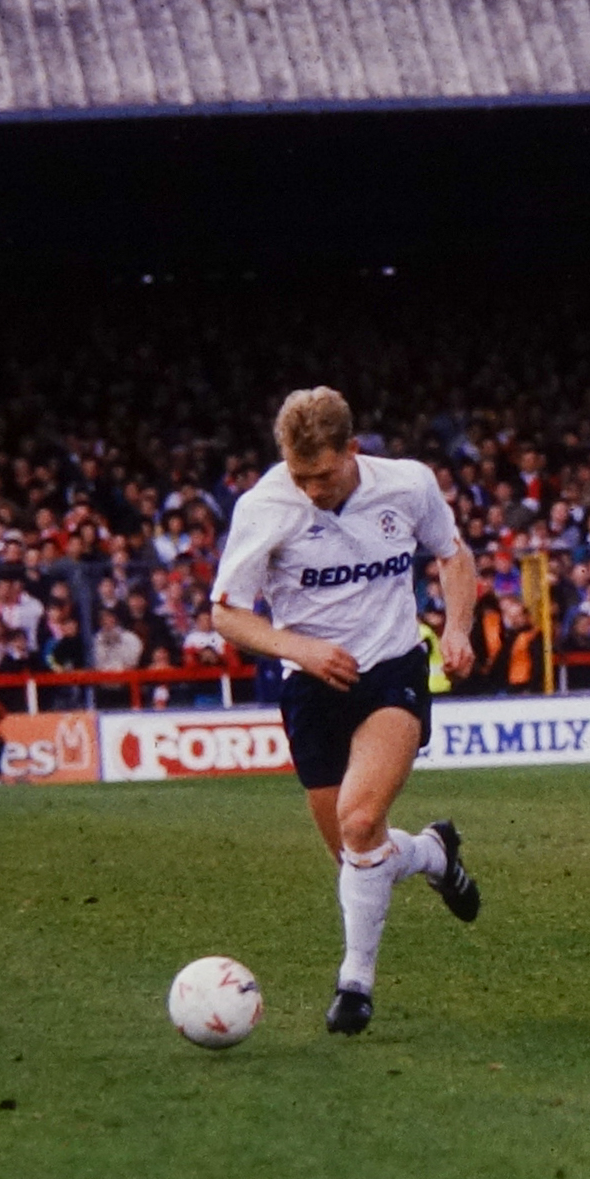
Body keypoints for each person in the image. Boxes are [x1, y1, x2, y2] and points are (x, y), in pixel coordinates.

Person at [209, 387, 483, 1036]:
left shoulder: (408, 484)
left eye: (323, 474)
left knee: (360, 821)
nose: (310, 488)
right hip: (310, 687)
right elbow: (225, 611)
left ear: (353, 450)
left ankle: (354, 983)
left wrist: (458, 628)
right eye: (299, 475)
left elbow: (453, 553)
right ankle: (434, 854)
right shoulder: (264, 507)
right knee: (360, 860)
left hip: (390, 667)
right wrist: (296, 646)